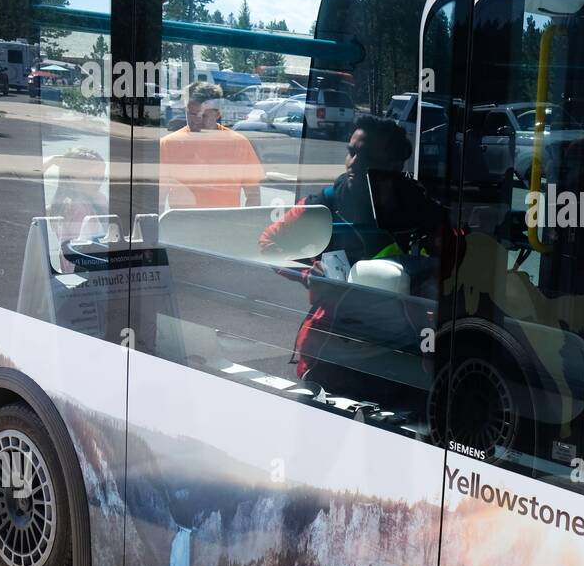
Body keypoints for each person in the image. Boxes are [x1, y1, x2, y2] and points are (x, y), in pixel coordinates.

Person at [260, 114, 455, 379]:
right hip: (334, 339)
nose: (353, 163)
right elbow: (269, 244)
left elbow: (458, 255)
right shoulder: (324, 203)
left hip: (405, 345)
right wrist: (307, 273)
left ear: (395, 165)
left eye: (367, 157)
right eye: (351, 153)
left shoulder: (418, 205)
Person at [158, 82, 264, 209]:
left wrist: (244, 226)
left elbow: (253, 195)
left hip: (224, 225)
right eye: (191, 113)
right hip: (183, 225)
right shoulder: (169, 144)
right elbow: (159, 196)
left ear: (218, 114)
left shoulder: (239, 144)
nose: (196, 120)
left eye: (204, 115)